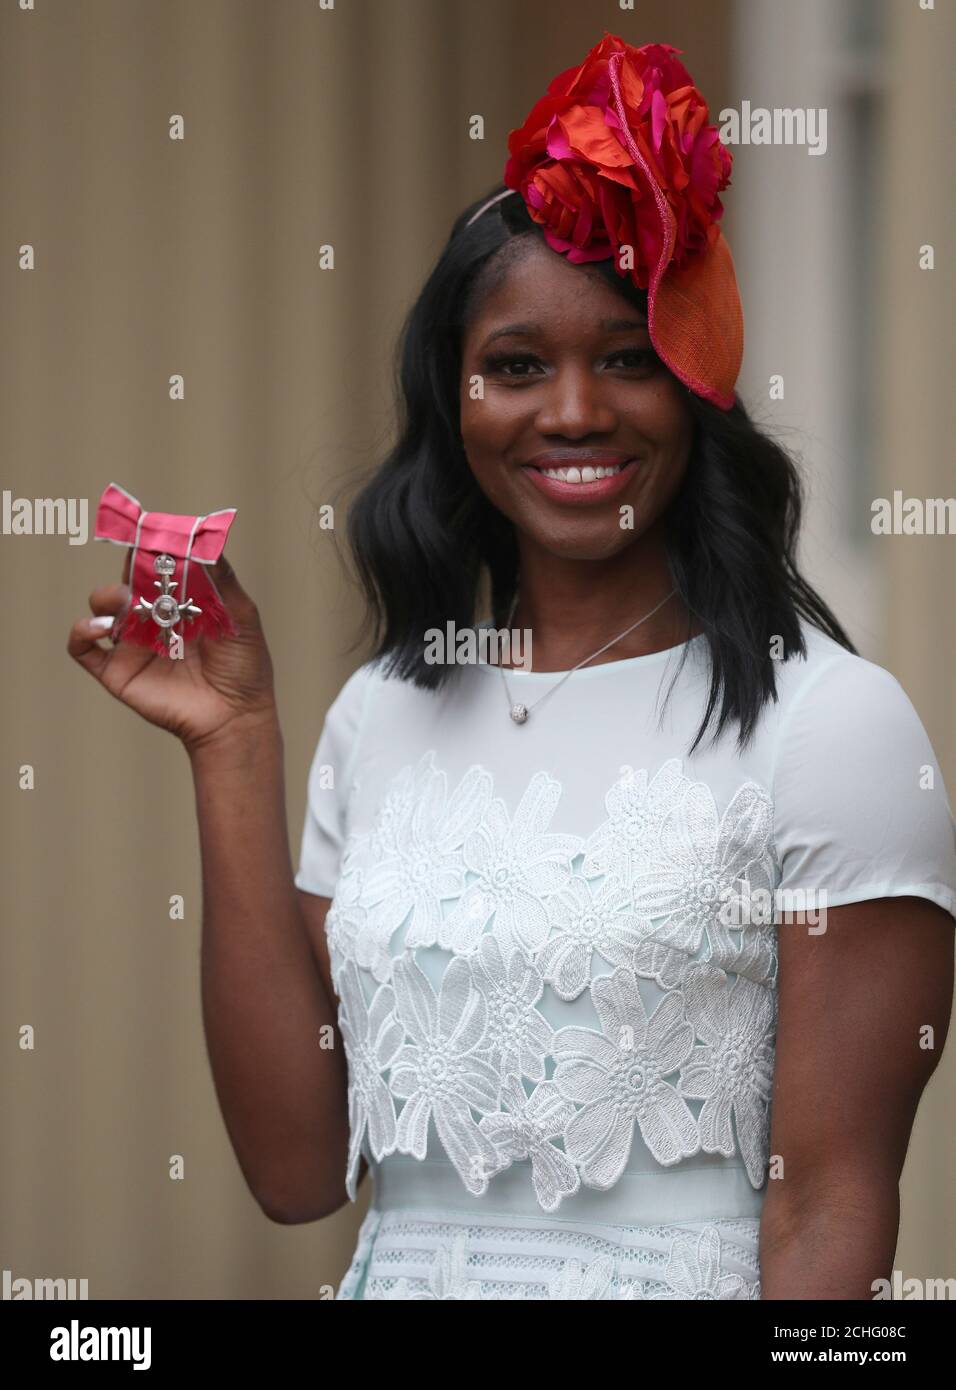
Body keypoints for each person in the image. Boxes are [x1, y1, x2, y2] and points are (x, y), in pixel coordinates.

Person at [69, 35, 956, 1300]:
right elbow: (297, 1169)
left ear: (695, 390)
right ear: (455, 402)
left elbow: (825, 1217)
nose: (574, 411)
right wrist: (233, 744)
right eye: (516, 365)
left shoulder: (832, 726)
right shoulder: (383, 714)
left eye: (627, 358)